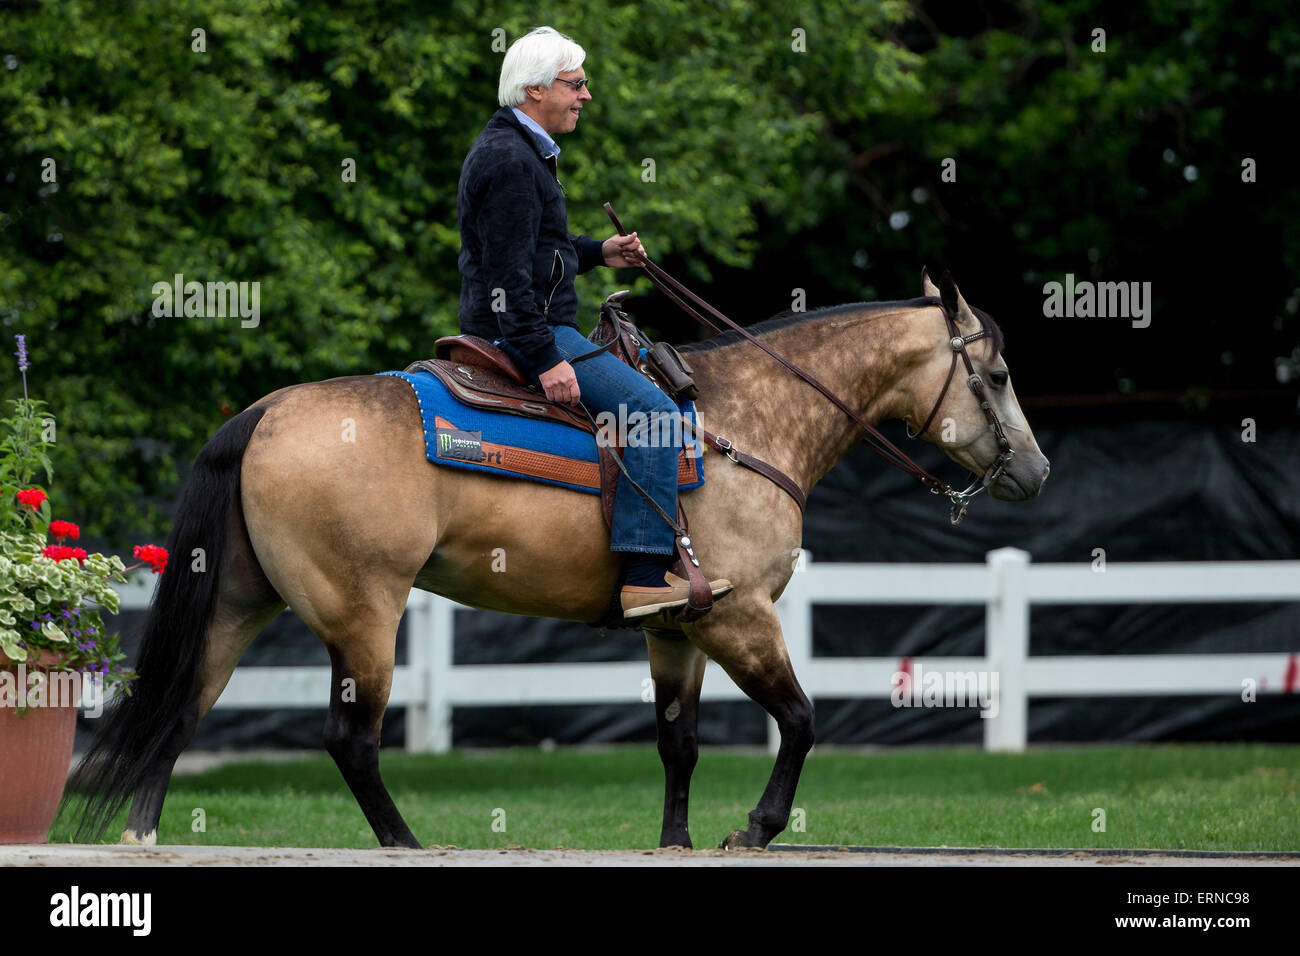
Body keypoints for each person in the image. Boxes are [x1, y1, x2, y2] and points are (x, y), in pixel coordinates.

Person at [457, 26, 731, 619]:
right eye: (575, 84)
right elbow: (506, 280)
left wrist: (597, 251)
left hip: (527, 325)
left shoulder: (517, 149)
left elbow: (536, 250)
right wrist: (544, 356)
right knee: (656, 414)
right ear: (535, 90)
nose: (586, 95)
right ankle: (642, 577)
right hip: (525, 331)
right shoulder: (510, 160)